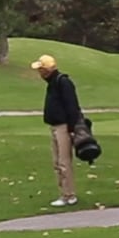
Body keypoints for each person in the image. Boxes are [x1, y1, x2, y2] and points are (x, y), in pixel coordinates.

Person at [34, 54, 84, 207]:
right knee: (56, 162)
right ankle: (63, 193)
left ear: (48, 70)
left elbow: (72, 107)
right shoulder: (52, 83)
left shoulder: (63, 82)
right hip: (55, 126)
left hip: (64, 127)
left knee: (64, 162)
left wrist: (71, 129)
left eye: (41, 69)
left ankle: (70, 195)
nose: (39, 73)